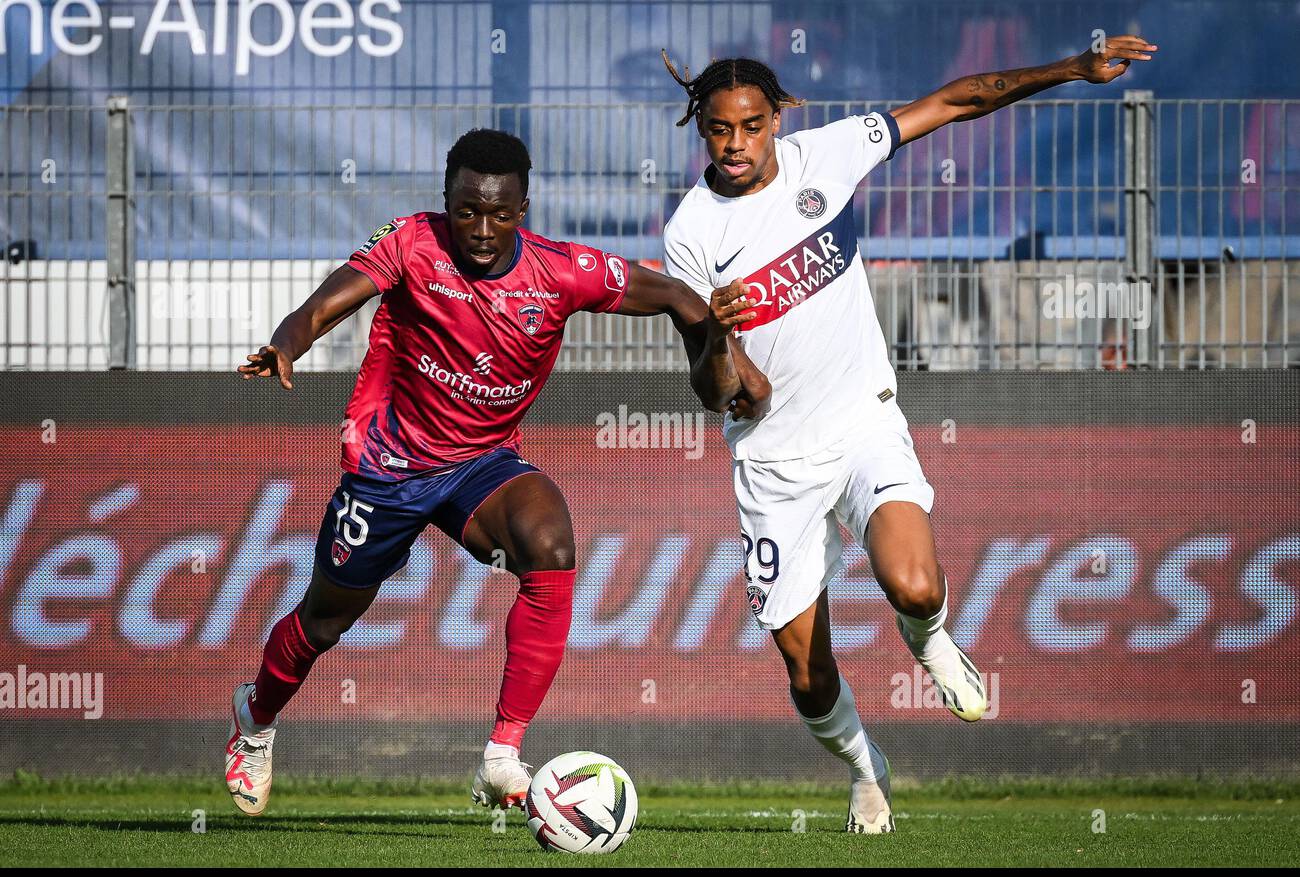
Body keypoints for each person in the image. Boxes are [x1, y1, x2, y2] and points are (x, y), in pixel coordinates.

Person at [661, 35, 1157, 832]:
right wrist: (720, 337)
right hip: (775, 462)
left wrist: (1069, 68)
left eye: (751, 126)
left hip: (862, 419)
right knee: (805, 667)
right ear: (702, 132)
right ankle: (867, 770)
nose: (736, 145)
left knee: (917, 586)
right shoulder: (690, 236)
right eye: (719, 130)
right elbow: (726, 397)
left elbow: (961, 100)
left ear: (779, 119)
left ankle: (930, 642)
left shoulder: (827, 154)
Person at [226, 128, 768, 815]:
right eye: (467, 212)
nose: (482, 230)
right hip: (388, 466)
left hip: (481, 464)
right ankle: (256, 718)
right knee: (323, 623)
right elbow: (328, 301)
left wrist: (730, 355)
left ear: (524, 209)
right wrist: (286, 342)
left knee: (552, 542)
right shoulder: (411, 242)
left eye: (501, 214)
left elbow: (673, 296)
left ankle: (501, 754)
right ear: (446, 203)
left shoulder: (561, 271)